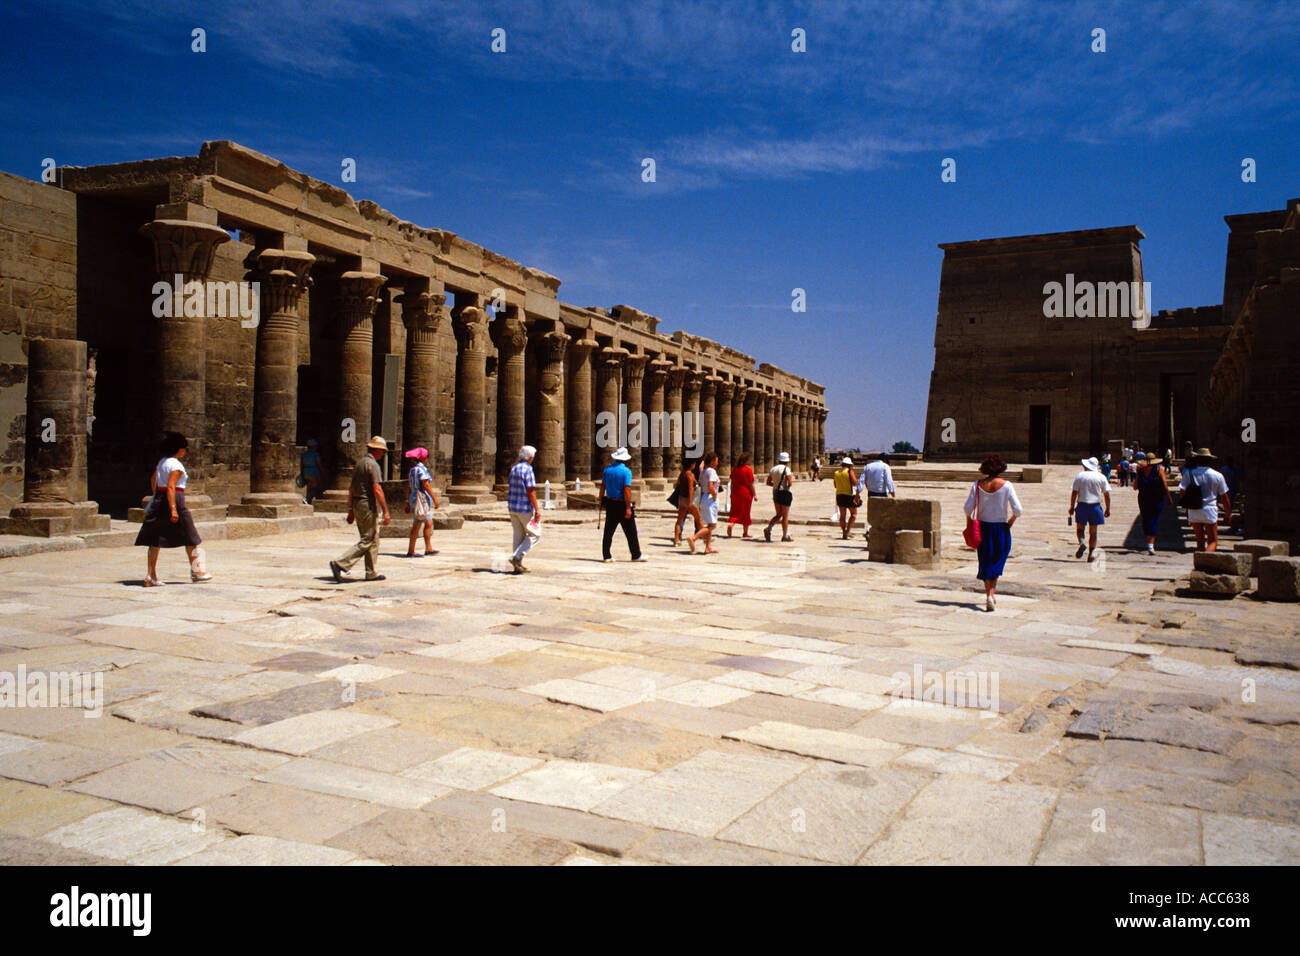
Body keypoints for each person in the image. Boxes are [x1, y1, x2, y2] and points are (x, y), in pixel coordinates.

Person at [134, 432, 211, 586]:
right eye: (185, 449)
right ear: (179, 449)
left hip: (159, 499)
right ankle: (197, 571)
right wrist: (173, 508)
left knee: (155, 539)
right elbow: (171, 486)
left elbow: (153, 480)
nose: (185, 452)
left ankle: (151, 575)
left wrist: (157, 495)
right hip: (175, 499)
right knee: (191, 537)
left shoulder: (162, 462)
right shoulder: (176, 465)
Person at [963, 453, 1023, 612]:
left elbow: (967, 508)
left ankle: (988, 595)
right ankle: (991, 594)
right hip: (1000, 528)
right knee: (997, 559)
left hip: (982, 528)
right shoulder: (1007, 485)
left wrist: (969, 522)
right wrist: (1010, 522)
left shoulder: (977, 485)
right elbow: (1018, 510)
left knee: (985, 560)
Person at [330, 436, 391, 582]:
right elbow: (377, 489)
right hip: (367, 504)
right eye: (382, 451)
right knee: (367, 539)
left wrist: (351, 509)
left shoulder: (359, 464)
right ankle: (340, 563)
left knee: (373, 539)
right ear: (375, 450)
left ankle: (371, 572)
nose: (383, 454)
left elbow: (351, 489)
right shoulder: (373, 465)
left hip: (357, 504)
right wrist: (386, 510)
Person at [1179, 448, 1231, 552]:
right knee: (1212, 540)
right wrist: (1227, 513)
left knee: (1199, 539)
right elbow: (1224, 497)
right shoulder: (1218, 476)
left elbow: (1182, 491)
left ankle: (1200, 561)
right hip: (1210, 509)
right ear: (1210, 461)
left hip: (1194, 509)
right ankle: (1206, 559)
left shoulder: (1189, 474)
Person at [599, 447, 644, 562]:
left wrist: (601, 501)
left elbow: (603, 486)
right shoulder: (626, 472)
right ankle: (635, 554)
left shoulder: (607, 470)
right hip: (622, 504)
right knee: (631, 531)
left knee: (608, 531)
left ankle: (606, 555)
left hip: (610, 502)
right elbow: (626, 490)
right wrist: (628, 507)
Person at [506, 445, 542, 572]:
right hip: (524, 508)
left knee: (518, 536)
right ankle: (516, 556)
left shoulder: (514, 468)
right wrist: (537, 509)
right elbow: (531, 491)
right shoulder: (528, 469)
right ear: (530, 457)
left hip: (512, 507)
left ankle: (517, 566)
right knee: (536, 534)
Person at [1069, 456, 1111, 562]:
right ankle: (1091, 553)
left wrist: (1071, 507)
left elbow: (1074, 493)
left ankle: (1082, 543)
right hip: (1095, 506)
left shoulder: (1080, 476)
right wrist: (1107, 508)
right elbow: (1106, 494)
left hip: (1082, 505)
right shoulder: (1101, 477)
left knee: (1080, 529)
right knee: (1093, 532)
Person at [1133, 452, 1174, 555]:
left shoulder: (1141, 470)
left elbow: (1135, 487)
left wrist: (1138, 474)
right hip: (1156, 498)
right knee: (1154, 519)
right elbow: (1164, 484)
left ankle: (1149, 541)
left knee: (1146, 519)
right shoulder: (1159, 469)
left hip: (1143, 498)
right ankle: (1151, 545)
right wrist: (1169, 498)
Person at [403, 447, 439, 557]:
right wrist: (435, 499)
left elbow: (409, 487)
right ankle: (428, 548)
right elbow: (426, 485)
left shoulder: (412, 470)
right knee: (427, 523)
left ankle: (411, 550)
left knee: (417, 523)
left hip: (413, 497)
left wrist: (407, 501)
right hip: (421, 498)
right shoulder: (421, 469)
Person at [855, 455, 897, 539]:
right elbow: (889, 480)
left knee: (872, 513)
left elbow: (861, 480)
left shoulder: (868, 466)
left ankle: (868, 530)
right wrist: (892, 492)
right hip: (882, 493)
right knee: (883, 513)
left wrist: (857, 493)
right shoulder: (885, 466)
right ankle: (881, 532)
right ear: (885, 460)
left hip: (871, 493)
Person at [688, 452, 721, 554]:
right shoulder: (712, 471)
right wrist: (714, 496)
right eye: (716, 460)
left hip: (704, 498)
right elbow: (711, 486)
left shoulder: (703, 472)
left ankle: (708, 547)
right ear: (712, 461)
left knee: (709, 524)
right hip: (710, 499)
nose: (717, 463)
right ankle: (694, 538)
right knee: (712, 526)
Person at [762, 451, 795, 542]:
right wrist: (785, 487)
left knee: (778, 514)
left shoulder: (773, 469)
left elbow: (768, 482)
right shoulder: (786, 469)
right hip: (784, 493)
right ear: (787, 461)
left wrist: (776, 485)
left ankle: (769, 528)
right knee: (785, 515)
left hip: (775, 492)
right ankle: (785, 536)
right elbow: (790, 482)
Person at [671, 459, 701, 546]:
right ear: (691, 465)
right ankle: (706, 538)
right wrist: (691, 502)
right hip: (688, 500)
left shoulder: (682, 474)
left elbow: (678, 485)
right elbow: (691, 488)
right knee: (699, 520)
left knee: (679, 521)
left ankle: (676, 539)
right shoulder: (690, 475)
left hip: (681, 499)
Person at [727, 452, 756, 537]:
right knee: (746, 512)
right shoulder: (748, 470)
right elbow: (751, 484)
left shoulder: (735, 469)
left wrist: (731, 493)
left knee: (735, 511)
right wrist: (754, 494)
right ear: (746, 461)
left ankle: (731, 525)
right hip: (746, 493)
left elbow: (732, 482)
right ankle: (745, 532)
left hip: (736, 493)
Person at [833, 456, 858, 539]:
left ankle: (844, 532)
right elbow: (855, 483)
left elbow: (835, 485)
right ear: (849, 465)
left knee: (842, 516)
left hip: (839, 495)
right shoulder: (849, 471)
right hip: (849, 495)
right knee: (853, 514)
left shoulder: (836, 473)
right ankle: (848, 530)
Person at [299, 439, 325, 504]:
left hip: (306, 472)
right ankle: (306, 499)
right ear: (313, 446)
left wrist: (302, 473)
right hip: (313, 473)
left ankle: (308, 500)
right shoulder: (315, 454)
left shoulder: (304, 454)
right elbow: (319, 464)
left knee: (309, 487)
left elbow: (302, 465)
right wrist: (323, 472)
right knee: (314, 488)